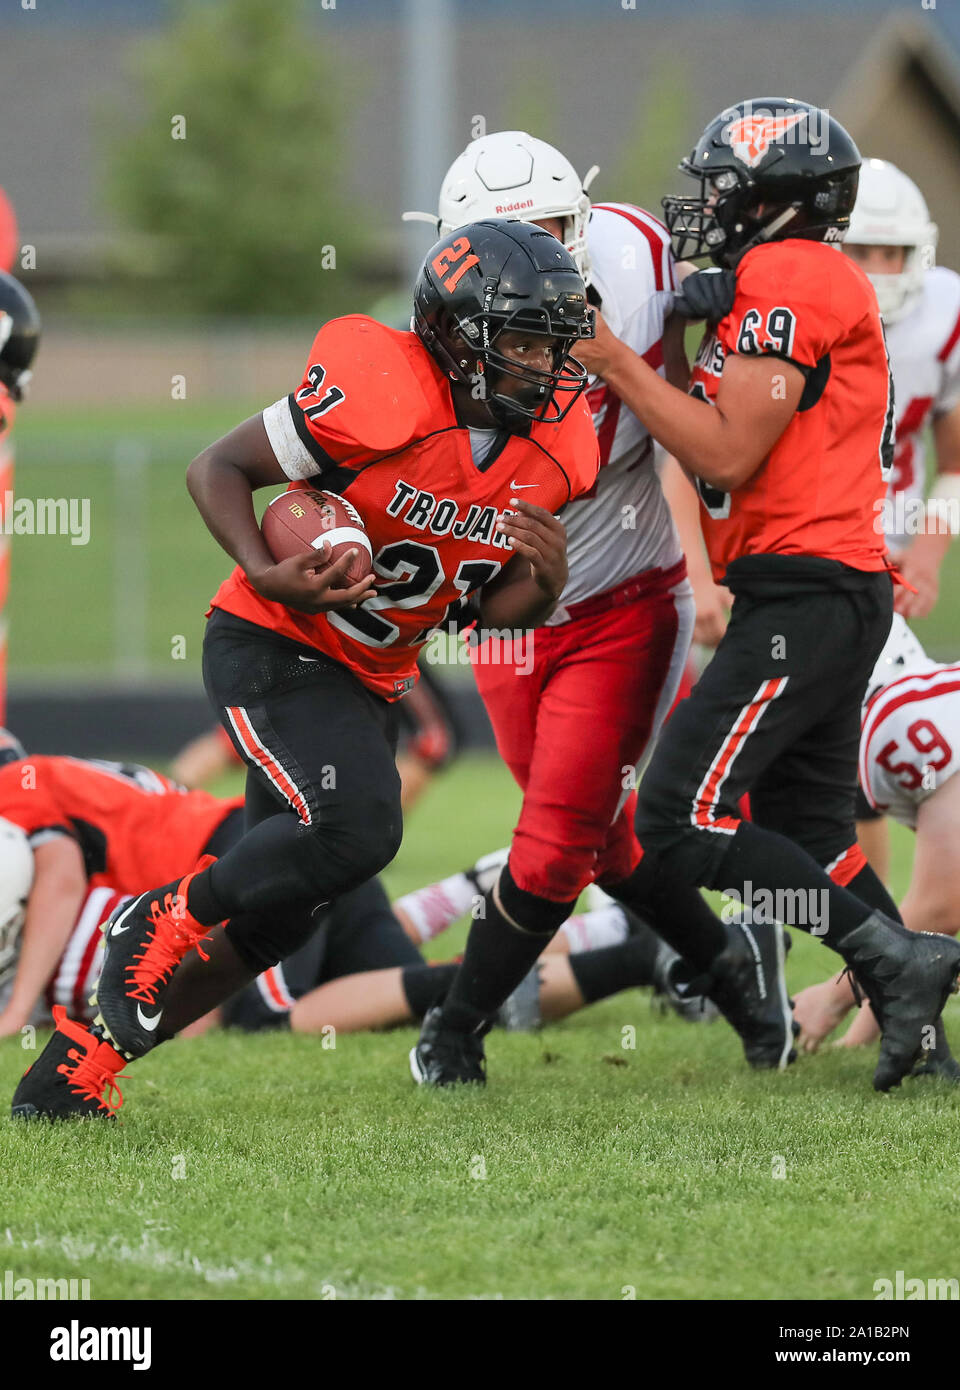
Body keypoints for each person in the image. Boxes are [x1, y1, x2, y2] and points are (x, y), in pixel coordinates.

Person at [12, 218, 599, 1119]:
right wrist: (263, 569)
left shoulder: (554, 452)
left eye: (552, 346)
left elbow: (482, 614)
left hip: (370, 676)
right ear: (455, 335)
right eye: (522, 341)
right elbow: (217, 466)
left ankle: (70, 1076)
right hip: (274, 644)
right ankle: (161, 916)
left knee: (284, 915)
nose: (544, 366)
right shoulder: (384, 391)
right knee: (361, 829)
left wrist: (546, 585)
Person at [529, 97, 960, 1094]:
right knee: (816, 835)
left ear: (776, 199)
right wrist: (684, 330)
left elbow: (724, 451)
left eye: (724, 187)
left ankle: (901, 961)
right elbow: (710, 423)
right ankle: (920, 1031)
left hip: (809, 591)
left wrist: (612, 356)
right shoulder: (773, 279)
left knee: (677, 817)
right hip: (811, 588)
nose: (708, 203)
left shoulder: (796, 273)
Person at [408, 131, 791, 1089]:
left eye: (552, 228)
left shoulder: (639, 261)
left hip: (624, 602)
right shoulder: (441, 325)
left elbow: (691, 422)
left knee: (551, 847)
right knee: (603, 842)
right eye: (512, 234)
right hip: (509, 612)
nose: (536, 251)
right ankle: (735, 974)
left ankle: (452, 1034)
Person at [793, 616, 960, 1066]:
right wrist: (860, 1035)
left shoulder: (904, 717)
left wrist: (833, 998)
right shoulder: (930, 698)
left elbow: (939, 910)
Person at [0, 743, 243, 1041]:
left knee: (266, 1003)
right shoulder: (41, 776)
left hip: (212, 859)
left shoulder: (14, 782)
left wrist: (17, 1011)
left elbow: (62, 879)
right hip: (224, 842)